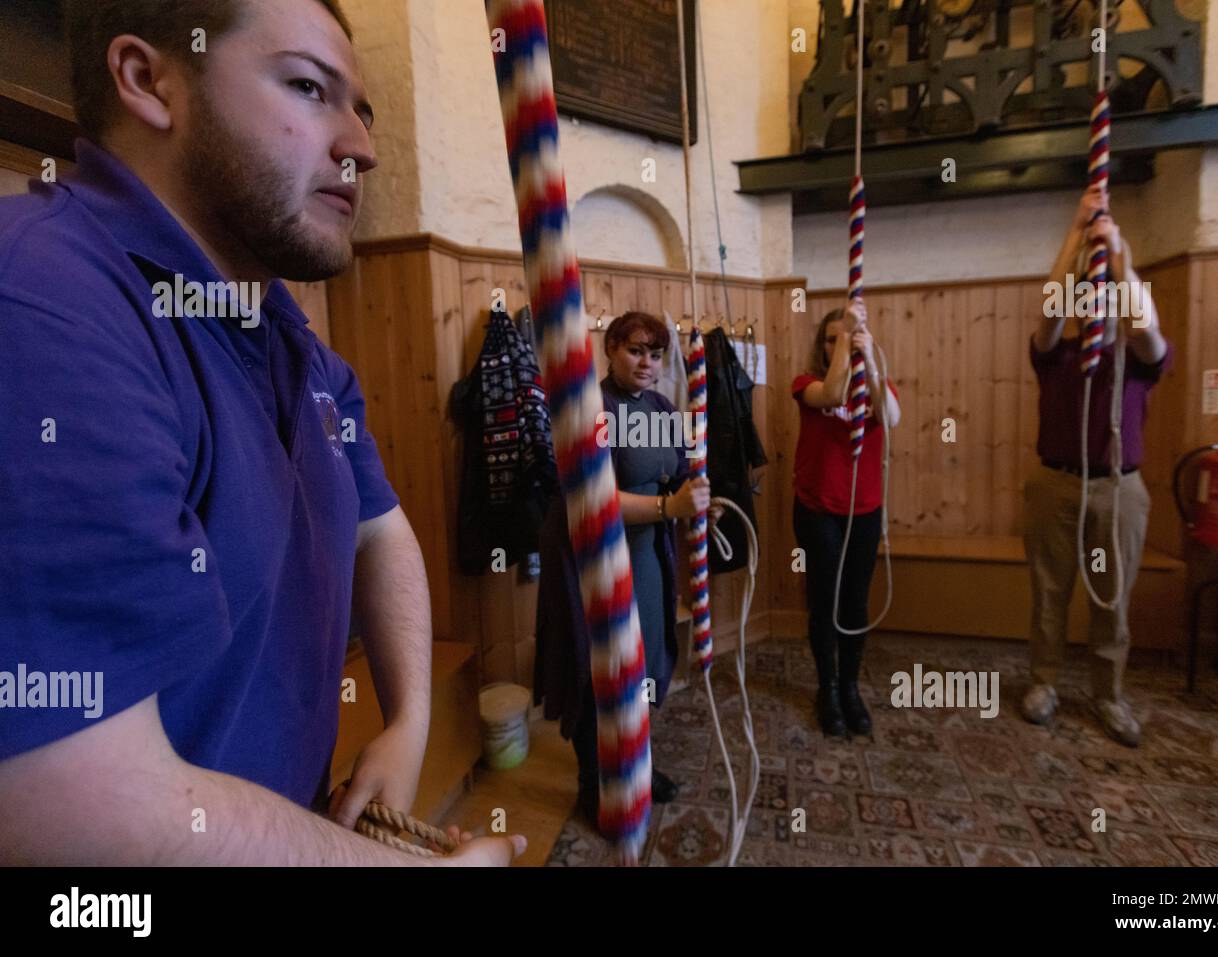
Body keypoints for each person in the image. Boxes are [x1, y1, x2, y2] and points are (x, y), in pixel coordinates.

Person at [0, 0, 521, 865]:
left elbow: (378, 527)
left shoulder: (290, 342)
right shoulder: (48, 305)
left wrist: (410, 720)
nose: (363, 147)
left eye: (363, 111)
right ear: (147, 80)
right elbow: (71, 811)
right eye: (310, 88)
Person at [536, 311, 712, 829]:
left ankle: (636, 763)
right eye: (636, 350)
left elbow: (679, 472)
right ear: (610, 348)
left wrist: (700, 498)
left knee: (644, 663)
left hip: (645, 556)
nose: (647, 363)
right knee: (597, 673)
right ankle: (595, 782)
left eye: (656, 354)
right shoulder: (586, 410)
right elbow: (590, 500)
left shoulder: (660, 407)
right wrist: (668, 509)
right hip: (590, 559)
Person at [1021, 184, 1171, 748]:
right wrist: (1077, 234)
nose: (1096, 304)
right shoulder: (1056, 353)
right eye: (1090, 296)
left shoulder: (1137, 360)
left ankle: (1109, 694)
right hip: (1056, 485)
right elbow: (1048, 311)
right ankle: (1044, 684)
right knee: (1048, 591)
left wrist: (1120, 255)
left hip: (1118, 490)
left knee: (1114, 598)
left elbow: (1149, 333)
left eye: (1104, 296)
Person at [791, 300, 900, 738]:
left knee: (855, 603)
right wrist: (845, 344)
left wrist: (868, 360)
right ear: (822, 348)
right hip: (818, 510)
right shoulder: (806, 384)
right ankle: (827, 687)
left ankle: (851, 688)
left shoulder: (877, 387)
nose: (844, 345)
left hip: (864, 510)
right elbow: (833, 394)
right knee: (824, 600)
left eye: (849, 338)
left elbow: (891, 419)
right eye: (833, 339)